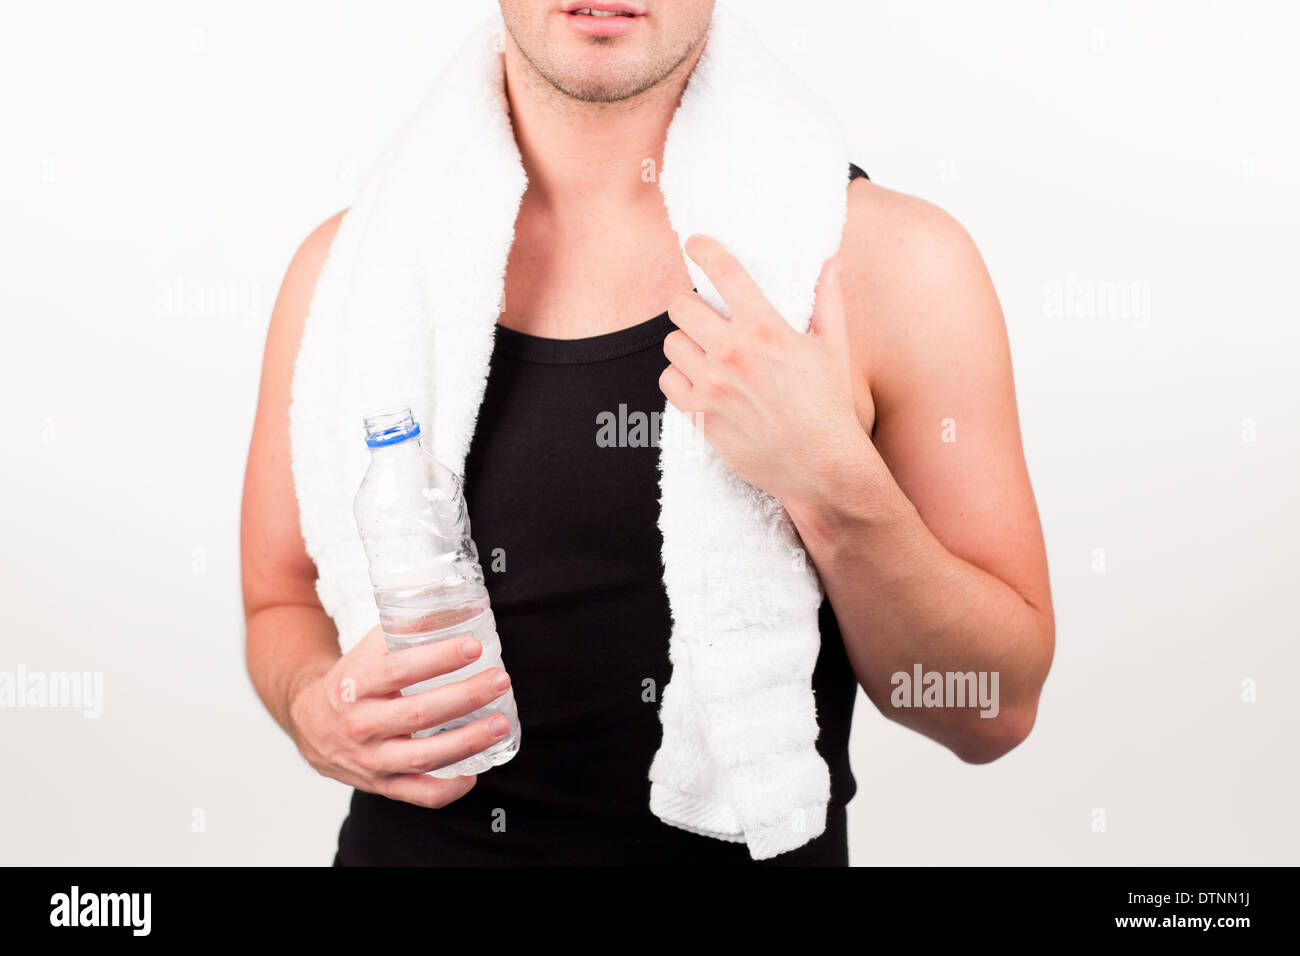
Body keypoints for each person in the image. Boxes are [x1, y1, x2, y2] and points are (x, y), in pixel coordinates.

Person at [241, 0, 1054, 866]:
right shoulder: (349, 277)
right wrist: (309, 708)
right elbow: (279, 601)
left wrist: (830, 481)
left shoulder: (887, 266)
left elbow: (990, 712)